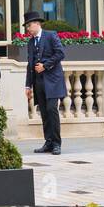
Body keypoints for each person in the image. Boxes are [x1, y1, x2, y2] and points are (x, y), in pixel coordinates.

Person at [23, 10, 65, 155]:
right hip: (38, 82)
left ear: (36, 24)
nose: (27, 29)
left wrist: (45, 66)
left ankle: (56, 144)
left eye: (28, 26)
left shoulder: (51, 35)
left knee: (52, 110)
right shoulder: (30, 42)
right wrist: (28, 85)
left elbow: (60, 53)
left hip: (53, 81)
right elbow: (30, 64)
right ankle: (48, 142)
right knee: (44, 113)